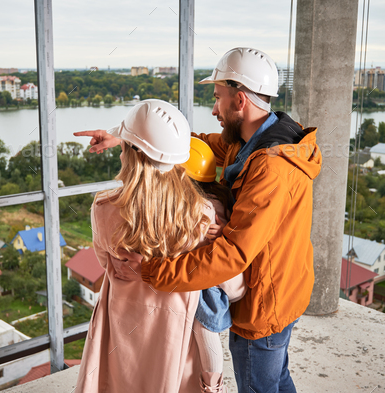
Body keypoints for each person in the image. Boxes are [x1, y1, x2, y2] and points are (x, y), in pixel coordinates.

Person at [75, 47, 322, 393]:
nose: (213, 108)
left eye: (218, 98)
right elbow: (188, 145)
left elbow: (232, 256)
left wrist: (150, 271)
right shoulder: (260, 138)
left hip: (266, 297)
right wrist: (125, 135)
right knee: (278, 379)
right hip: (281, 279)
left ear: (239, 100)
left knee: (260, 386)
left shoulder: (272, 168)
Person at [74, 99, 216, 393]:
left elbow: (105, 262)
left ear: (127, 153)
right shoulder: (202, 216)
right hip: (174, 335)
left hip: (119, 326)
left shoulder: (103, 209)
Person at [183, 137, 246, 393]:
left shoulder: (200, 206)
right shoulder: (218, 194)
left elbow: (188, 244)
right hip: (222, 277)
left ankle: (212, 387)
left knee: (205, 329)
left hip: (210, 284)